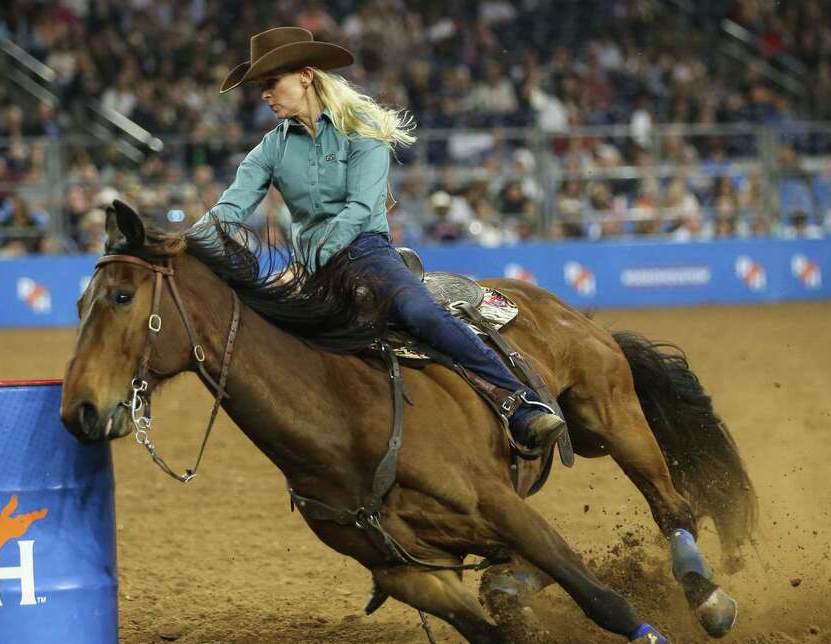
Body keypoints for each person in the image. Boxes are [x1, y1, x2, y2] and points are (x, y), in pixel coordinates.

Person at [198, 27, 565, 454]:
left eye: (271, 82)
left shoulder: (362, 128)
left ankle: (522, 404)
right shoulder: (269, 150)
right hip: (312, 267)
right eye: (261, 86)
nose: (264, 95)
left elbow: (360, 209)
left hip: (364, 253)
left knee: (420, 313)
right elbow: (228, 209)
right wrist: (179, 246)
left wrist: (309, 263)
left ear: (306, 76)